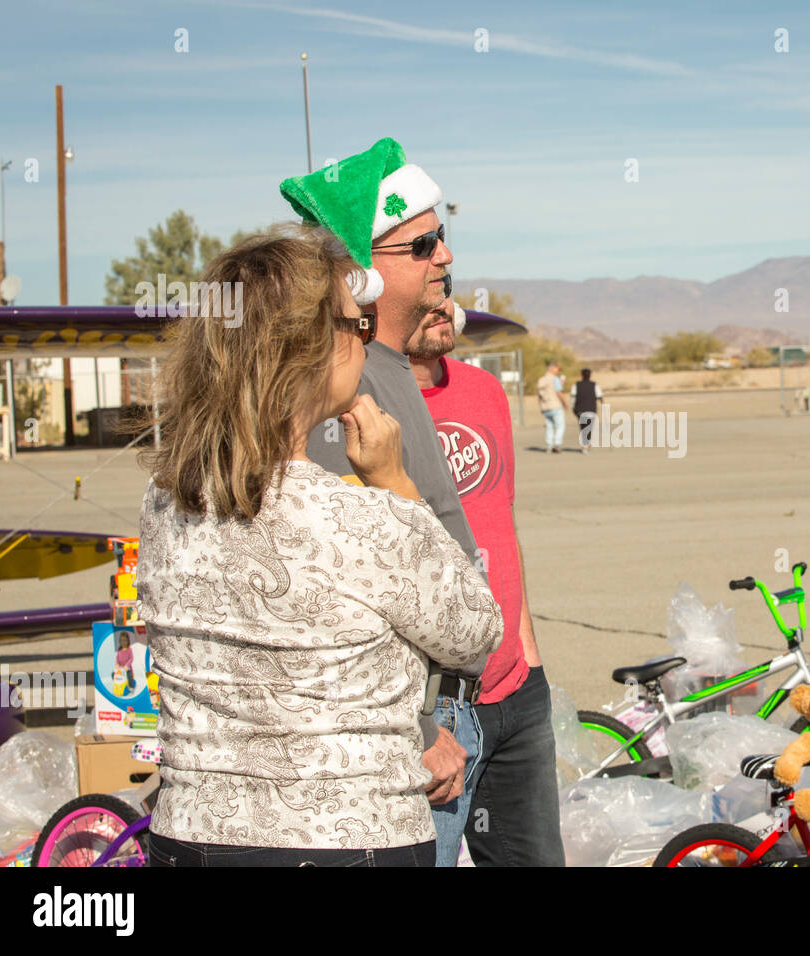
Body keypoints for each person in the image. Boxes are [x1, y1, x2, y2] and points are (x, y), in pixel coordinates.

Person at [135, 229, 502, 866]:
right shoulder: (360, 518)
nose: (365, 341)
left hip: (188, 835)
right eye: (358, 326)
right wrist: (396, 483)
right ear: (309, 350)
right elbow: (474, 630)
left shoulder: (163, 503)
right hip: (347, 839)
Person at [286, 137, 492, 866]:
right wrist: (417, 726)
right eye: (425, 244)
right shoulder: (349, 381)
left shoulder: (389, 366)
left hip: (452, 703)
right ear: (366, 273)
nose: (446, 257)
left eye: (444, 238)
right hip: (419, 730)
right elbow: (336, 586)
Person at [406, 297, 565, 865]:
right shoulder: (357, 409)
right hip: (434, 712)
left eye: (446, 283)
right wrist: (419, 727)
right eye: (425, 287)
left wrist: (530, 661)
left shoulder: (483, 391)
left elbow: (501, 524)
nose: (442, 301)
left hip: (516, 694)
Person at [571, 367, 603, 453]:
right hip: (591, 409)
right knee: (588, 427)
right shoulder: (594, 385)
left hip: (580, 410)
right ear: (590, 375)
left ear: (581, 375)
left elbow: (573, 398)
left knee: (583, 427)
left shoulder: (576, 385)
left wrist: (573, 408)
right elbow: (600, 396)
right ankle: (586, 445)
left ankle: (585, 445)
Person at [537, 362, 565, 453]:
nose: (557, 371)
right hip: (555, 406)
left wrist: (541, 406)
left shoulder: (541, 380)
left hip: (545, 407)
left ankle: (549, 445)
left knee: (549, 427)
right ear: (552, 369)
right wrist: (564, 402)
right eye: (557, 369)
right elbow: (559, 392)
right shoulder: (555, 379)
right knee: (560, 426)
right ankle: (557, 443)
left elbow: (539, 396)